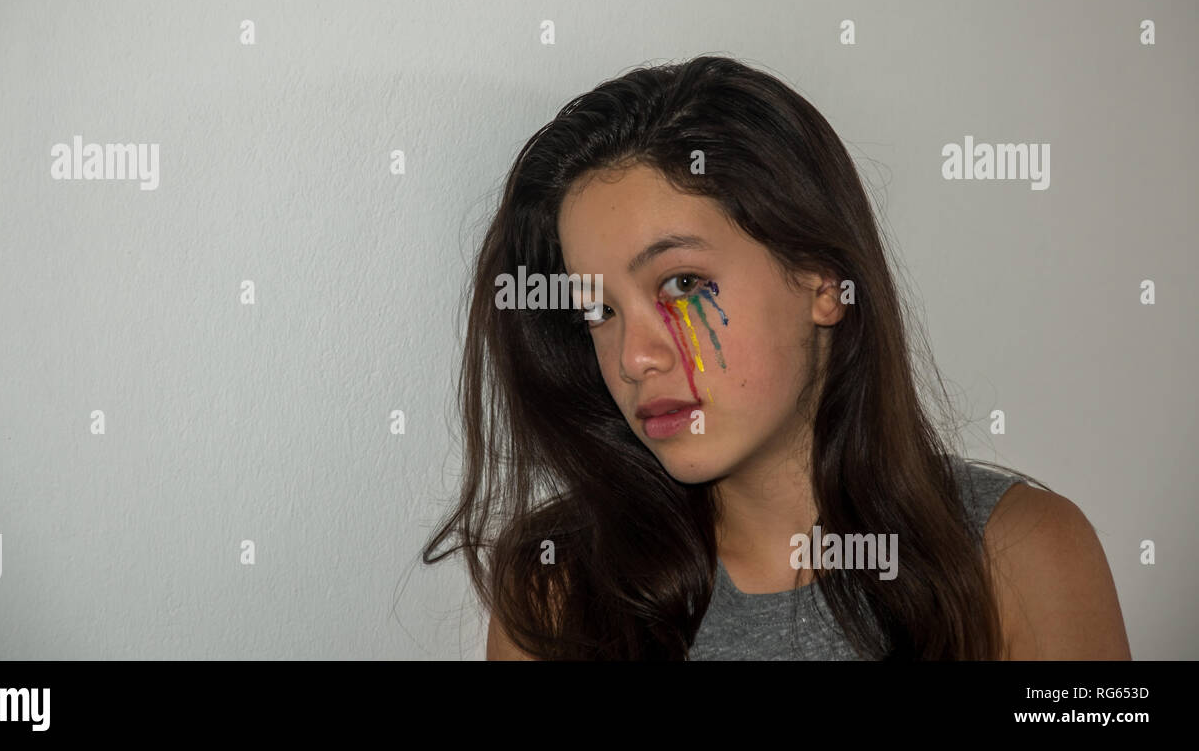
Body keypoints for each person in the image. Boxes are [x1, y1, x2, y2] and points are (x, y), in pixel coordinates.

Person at [423, 55, 1131, 660]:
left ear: (822, 282)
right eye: (598, 311)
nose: (635, 357)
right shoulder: (557, 591)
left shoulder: (1017, 556)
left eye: (682, 284)